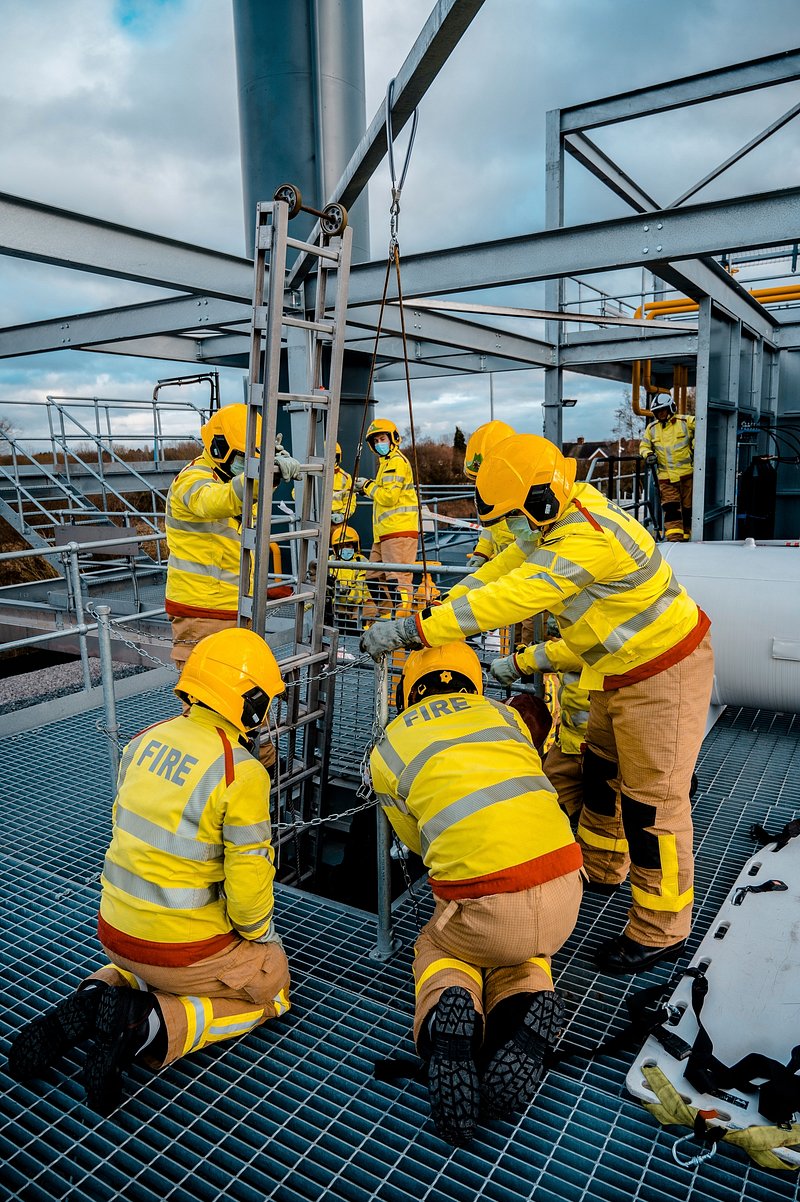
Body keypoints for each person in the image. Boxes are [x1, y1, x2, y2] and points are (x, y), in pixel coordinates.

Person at [362, 433, 715, 976]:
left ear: (541, 502)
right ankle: (602, 867)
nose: (510, 528)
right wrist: (446, 606)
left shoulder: (586, 539)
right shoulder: (555, 520)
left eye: (512, 517)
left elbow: (514, 595)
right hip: (616, 670)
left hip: (663, 672)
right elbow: (500, 572)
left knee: (652, 806)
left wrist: (416, 630)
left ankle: (660, 928)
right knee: (599, 770)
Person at [7, 629, 291, 1116]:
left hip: (115, 933)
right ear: (249, 702)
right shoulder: (240, 772)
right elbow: (247, 902)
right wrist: (260, 939)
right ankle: (148, 1024)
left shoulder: (142, 741)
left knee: (145, 964)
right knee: (272, 987)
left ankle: (99, 994)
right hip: (181, 951)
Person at [369, 643, 582, 1146]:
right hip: (566, 887)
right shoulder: (505, 717)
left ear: (407, 692)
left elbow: (417, 844)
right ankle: (522, 1015)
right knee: (526, 952)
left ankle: (448, 1019)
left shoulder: (390, 747)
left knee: (439, 944)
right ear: (472, 682)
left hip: (484, 905)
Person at [165, 403, 300, 667]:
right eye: (243, 459)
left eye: (253, 459)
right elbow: (215, 501)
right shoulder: (193, 479)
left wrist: (267, 460)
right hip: (201, 611)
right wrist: (264, 475)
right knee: (206, 697)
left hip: (233, 606)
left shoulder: (229, 479)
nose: (246, 466)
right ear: (218, 448)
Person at [493, 637, 589, 822]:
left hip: (608, 748)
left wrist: (519, 662)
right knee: (543, 809)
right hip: (569, 743)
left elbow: (583, 650)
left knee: (603, 826)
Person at [354, 418, 419, 613]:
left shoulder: (395, 463)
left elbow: (389, 497)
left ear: (393, 439)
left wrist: (367, 486)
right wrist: (369, 487)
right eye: (375, 441)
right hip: (385, 534)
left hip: (398, 531)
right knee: (373, 577)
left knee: (397, 578)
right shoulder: (386, 463)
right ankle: (385, 614)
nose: (379, 444)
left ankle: (402, 620)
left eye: (382, 439)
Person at [639, 396, 695, 542]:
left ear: (671, 408)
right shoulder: (652, 429)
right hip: (666, 478)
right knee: (671, 510)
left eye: (663, 411)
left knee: (688, 509)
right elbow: (644, 446)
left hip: (687, 476)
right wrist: (648, 454)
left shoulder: (686, 422)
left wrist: (695, 443)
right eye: (658, 412)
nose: (661, 414)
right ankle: (674, 540)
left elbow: (704, 428)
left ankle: (688, 537)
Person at [463, 420, 516, 570]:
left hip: (521, 571)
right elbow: (490, 528)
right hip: (504, 569)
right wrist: (481, 553)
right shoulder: (494, 495)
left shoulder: (522, 497)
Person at [328, 524, 371, 619]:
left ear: (355, 546)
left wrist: (345, 591)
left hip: (359, 605)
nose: (344, 549)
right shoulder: (330, 562)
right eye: (341, 546)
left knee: (357, 621)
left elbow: (359, 594)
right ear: (336, 548)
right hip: (338, 605)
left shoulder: (362, 562)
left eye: (348, 545)